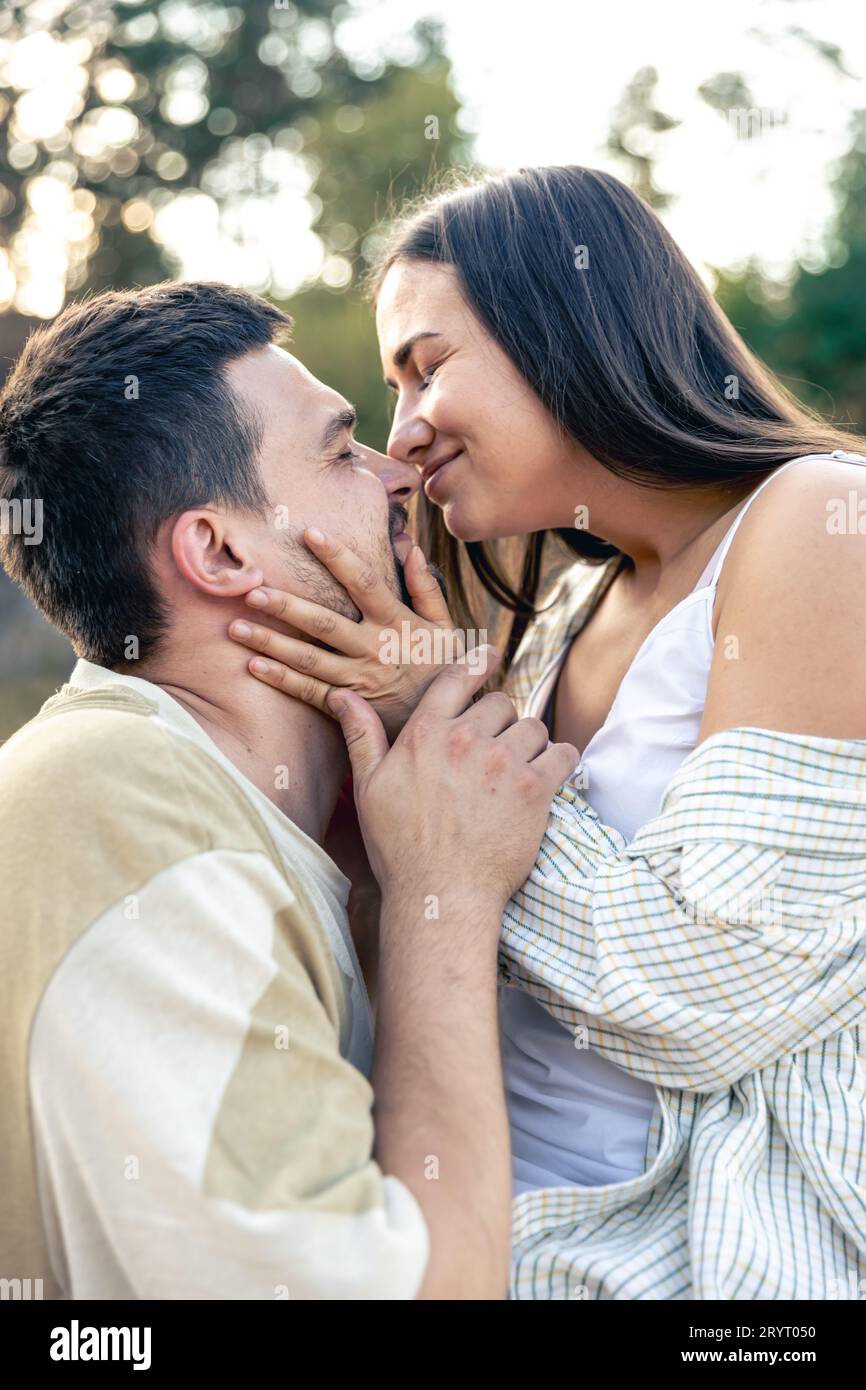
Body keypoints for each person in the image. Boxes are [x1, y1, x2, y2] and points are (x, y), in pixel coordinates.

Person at [231, 167, 866, 1299]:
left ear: (568, 323)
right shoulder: (569, 612)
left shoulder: (820, 522)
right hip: (484, 1224)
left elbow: (710, 999)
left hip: (671, 1257)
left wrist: (421, 719)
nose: (402, 438)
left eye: (426, 369)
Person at [0, 280, 577, 1300]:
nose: (396, 471)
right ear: (219, 550)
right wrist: (442, 899)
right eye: (337, 448)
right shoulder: (117, 804)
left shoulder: (254, 816)